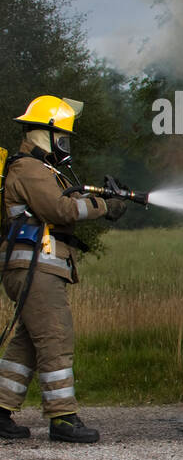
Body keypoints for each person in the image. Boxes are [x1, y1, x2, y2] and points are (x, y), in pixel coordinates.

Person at [0, 96, 126, 442]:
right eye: (63, 139)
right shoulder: (29, 169)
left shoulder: (40, 170)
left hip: (32, 268)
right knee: (55, 336)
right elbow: (61, 211)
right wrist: (104, 206)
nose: (64, 147)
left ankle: (1, 411)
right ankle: (63, 420)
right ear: (46, 134)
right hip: (34, 269)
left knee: (28, 342)